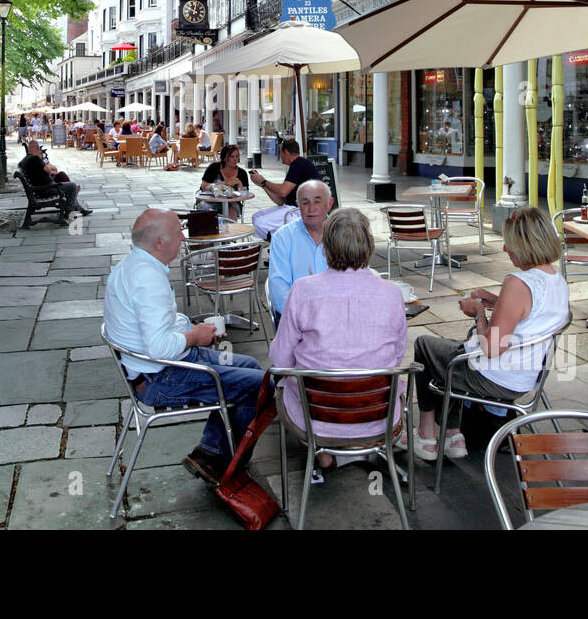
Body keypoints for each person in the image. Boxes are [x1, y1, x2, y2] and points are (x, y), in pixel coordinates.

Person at [103, 208, 266, 486]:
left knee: (250, 366)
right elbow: (159, 348)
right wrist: (194, 337)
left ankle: (211, 451)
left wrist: (190, 328)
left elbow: (159, 326)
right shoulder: (148, 280)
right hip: (162, 377)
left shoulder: (134, 265)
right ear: (158, 243)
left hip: (157, 365)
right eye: (178, 232)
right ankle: (220, 461)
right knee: (262, 385)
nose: (183, 238)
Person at [413, 206, 571, 461]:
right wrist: (497, 302)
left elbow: (491, 348)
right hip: (527, 376)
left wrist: (478, 313)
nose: (506, 249)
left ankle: (428, 435)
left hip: (497, 378)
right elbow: (533, 315)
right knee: (453, 351)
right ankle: (453, 435)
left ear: (524, 245)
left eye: (510, 243)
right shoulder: (557, 279)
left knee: (425, 347)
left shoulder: (518, 283)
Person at [270, 208, 406, 476]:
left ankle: (322, 453)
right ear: (368, 246)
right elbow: (397, 353)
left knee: (283, 384)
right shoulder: (392, 294)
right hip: (379, 417)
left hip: (315, 420)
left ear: (327, 247)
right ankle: (356, 446)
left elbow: (280, 359)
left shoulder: (303, 290)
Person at [267, 179, 333, 328]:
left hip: (336, 318)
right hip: (295, 320)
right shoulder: (283, 237)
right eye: (305, 202)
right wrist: (309, 320)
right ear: (298, 205)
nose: (311, 208)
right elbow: (279, 292)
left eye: (317, 201)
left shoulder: (342, 235)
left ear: (329, 204)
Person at [248, 139, 323, 239]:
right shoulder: (296, 165)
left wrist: (263, 181)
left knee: (260, 222)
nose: (280, 155)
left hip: (300, 211)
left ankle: (282, 243)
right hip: (292, 208)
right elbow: (280, 201)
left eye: (281, 152)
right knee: (256, 217)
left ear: (286, 152)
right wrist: (263, 185)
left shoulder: (299, 164)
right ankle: (281, 241)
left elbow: (283, 191)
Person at [18, 140, 90, 216]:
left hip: (39, 188)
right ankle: (69, 211)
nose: (39, 150)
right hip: (45, 189)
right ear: (35, 148)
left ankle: (77, 207)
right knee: (72, 186)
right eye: (38, 148)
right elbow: (49, 170)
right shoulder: (35, 158)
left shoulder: (25, 159)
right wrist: (40, 158)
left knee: (62, 178)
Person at [199, 144, 250, 220]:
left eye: (237, 156)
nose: (235, 159)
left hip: (233, 203)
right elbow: (204, 187)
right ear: (224, 158)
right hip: (211, 201)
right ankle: (210, 230)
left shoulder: (242, 173)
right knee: (206, 209)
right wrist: (224, 183)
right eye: (231, 156)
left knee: (233, 210)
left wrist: (240, 184)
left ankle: (231, 230)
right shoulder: (214, 168)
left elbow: (245, 194)